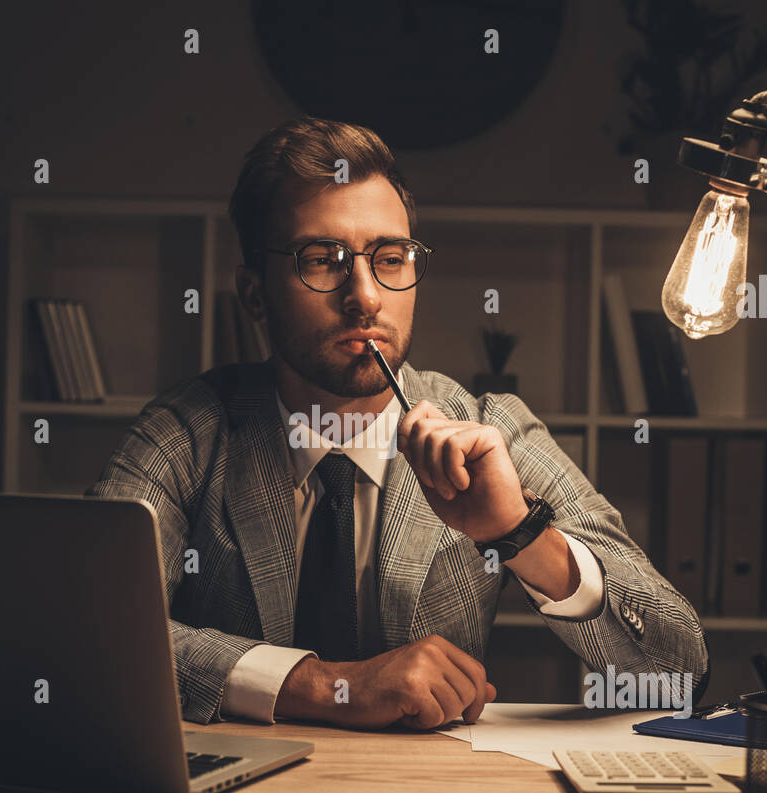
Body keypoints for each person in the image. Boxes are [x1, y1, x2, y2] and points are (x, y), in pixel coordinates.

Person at [88, 116, 708, 730]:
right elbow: (89, 632)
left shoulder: (491, 427)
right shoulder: (187, 431)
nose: (365, 297)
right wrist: (327, 686)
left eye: (389, 258)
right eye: (321, 259)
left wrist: (519, 533)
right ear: (255, 295)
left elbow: (676, 667)